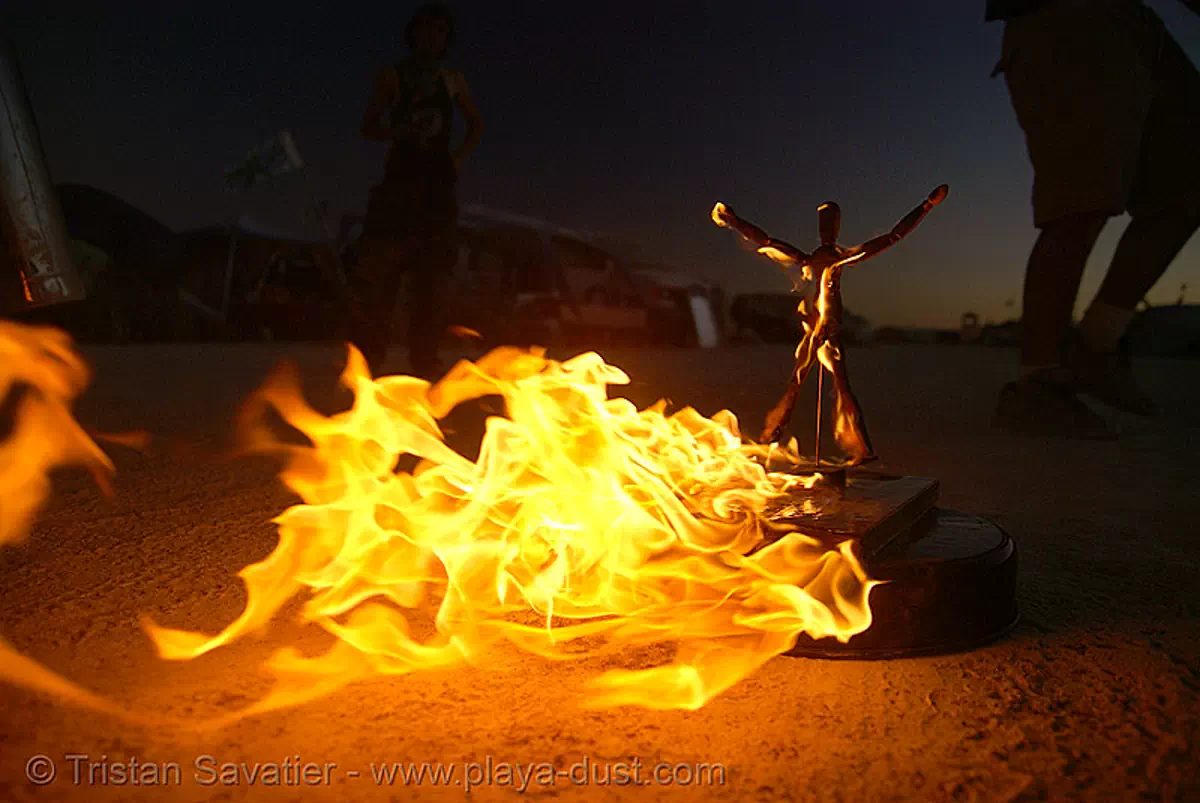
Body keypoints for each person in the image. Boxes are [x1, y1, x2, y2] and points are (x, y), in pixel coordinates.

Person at [990, 0, 1200, 438]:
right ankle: (1038, 384)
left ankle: (1095, 343)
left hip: (1140, 25)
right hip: (1070, 14)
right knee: (1079, 197)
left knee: (1187, 191)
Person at [350, 2, 483, 378]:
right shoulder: (392, 76)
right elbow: (368, 126)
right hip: (399, 183)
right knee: (381, 280)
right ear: (413, 35)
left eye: (439, 31)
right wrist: (400, 132)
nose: (432, 37)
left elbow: (477, 124)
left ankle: (425, 372)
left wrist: (457, 159)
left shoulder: (453, 79)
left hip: (438, 188)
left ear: (446, 39)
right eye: (425, 30)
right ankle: (369, 374)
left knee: (432, 284)